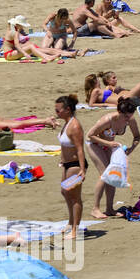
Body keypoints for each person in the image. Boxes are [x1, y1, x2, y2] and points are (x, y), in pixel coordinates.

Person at [84, 96, 140, 219]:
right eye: (126, 117)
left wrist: (131, 148)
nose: (128, 120)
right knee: (105, 174)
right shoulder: (108, 120)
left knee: (113, 174)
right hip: (94, 145)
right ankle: (95, 209)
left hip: (109, 146)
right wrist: (108, 144)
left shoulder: (130, 119)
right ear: (119, 112)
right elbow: (90, 135)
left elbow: (137, 137)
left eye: (130, 116)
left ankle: (109, 209)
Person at [53, 95, 87, 236]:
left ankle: (75, 230)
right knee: (65, 192)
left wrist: (82, 170)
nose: (56, 112)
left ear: (67, 109)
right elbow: (65, 146)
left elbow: (80, 149)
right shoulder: (66, 124)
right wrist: (62, 160)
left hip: (75, 165)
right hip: (67, 164)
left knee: (74, 196)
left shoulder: (74, 126)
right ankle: (71, 222)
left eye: (58, 110)